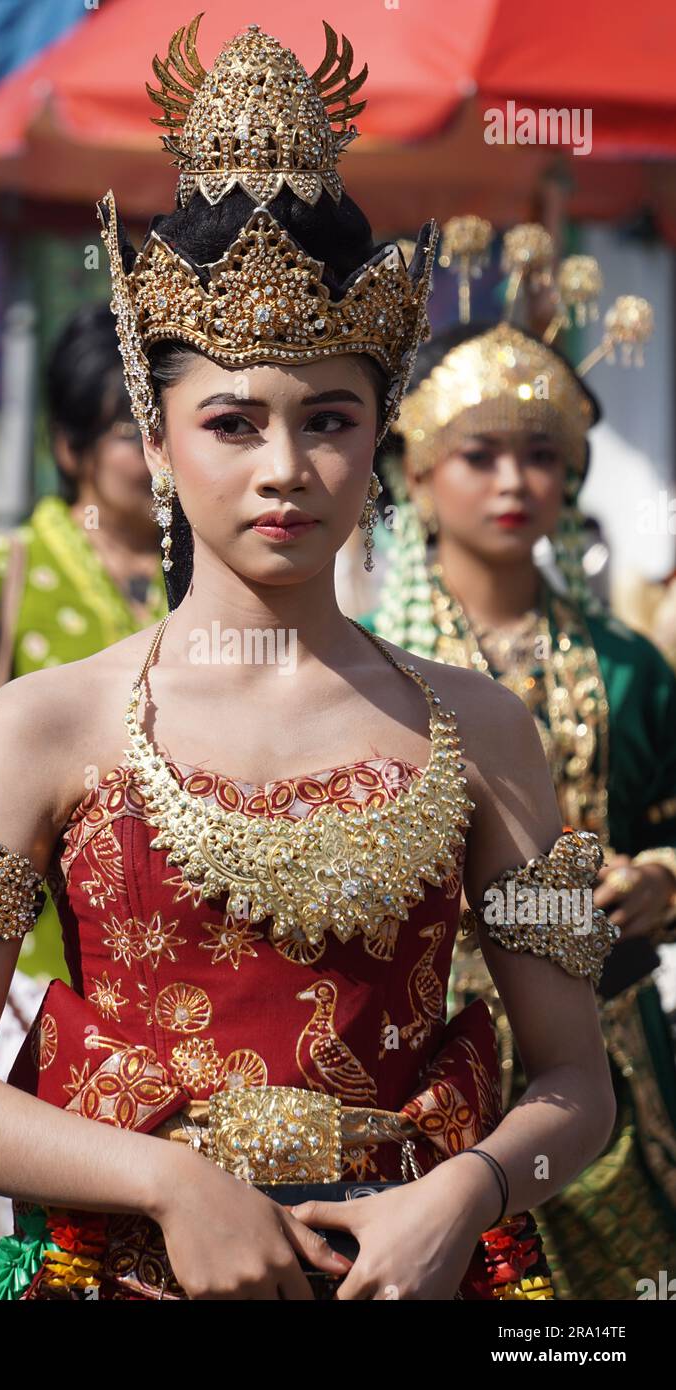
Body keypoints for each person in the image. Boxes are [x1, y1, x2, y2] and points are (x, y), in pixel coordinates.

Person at [0, 19, 618, 1302]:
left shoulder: (485, 730)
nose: (285, 469)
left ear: (378, 437)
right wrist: (171, 1184)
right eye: (231, 421)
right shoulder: (41, 724)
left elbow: (574, 1083)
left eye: (329, 419)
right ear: (155, 445)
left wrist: (466, 1191)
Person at [360, 222, 676, 1298]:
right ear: (418, 469)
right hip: (413, 1054)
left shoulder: (629, 666)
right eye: (480, 453)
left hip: (610, 1050)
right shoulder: (366, 668)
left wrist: (656, 880)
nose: (514, 480)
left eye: (542, 454)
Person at [0, 306, 168, 1070]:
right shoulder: (1, 572)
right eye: (128, 435)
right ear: (69, 446)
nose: (155, 458)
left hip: (175, 970)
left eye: (166, 430)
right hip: (24, 972)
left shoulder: (211, 589)